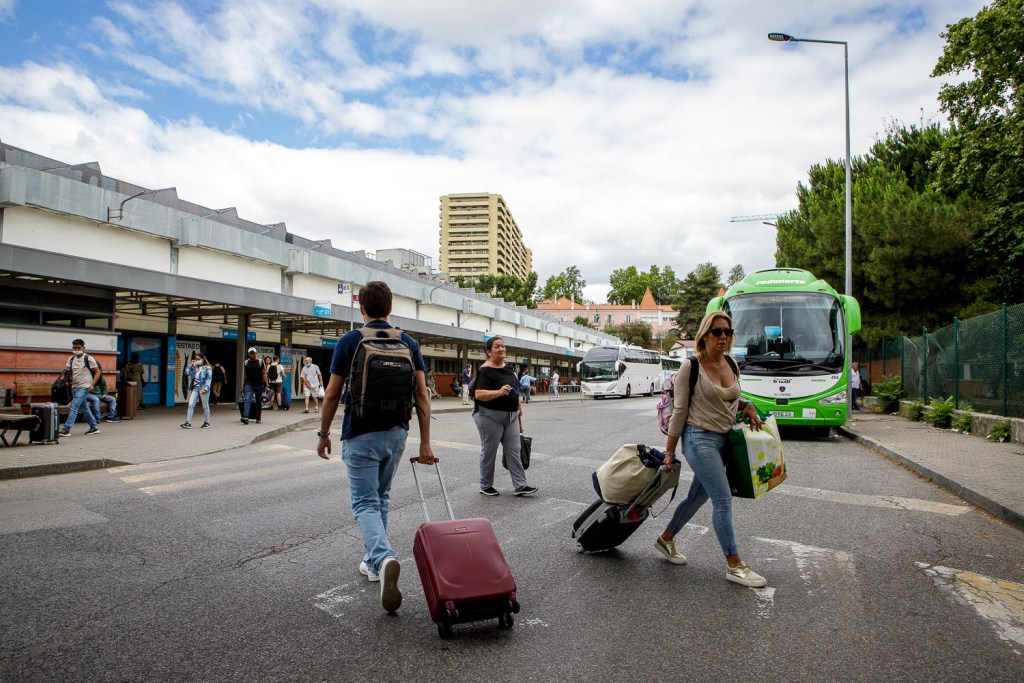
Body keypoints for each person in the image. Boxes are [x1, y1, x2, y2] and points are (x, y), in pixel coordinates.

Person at [316, 281, 435, 614]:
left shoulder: (351, 341)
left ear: (361, 308)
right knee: (380, 497)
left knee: (365, 502)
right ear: (391, 307)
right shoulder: (408, 341)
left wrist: (323, 433)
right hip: (397, 433)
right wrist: (425, 441)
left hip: (361, 432)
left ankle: (383, 559)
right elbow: (422, 395)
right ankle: (372, 563)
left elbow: (331, 394)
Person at [655, 311, 768, 588]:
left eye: (728, 332)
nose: (723, 337)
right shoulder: (690, 367)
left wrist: (747, 406)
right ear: (704, 335)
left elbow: (730, 399)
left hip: (723, 441)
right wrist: (669, 453)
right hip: (698, 439)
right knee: (722, 499)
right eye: (717, 332)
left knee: (697, 498)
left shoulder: (730, 363)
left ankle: (665, 539)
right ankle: (734, 564)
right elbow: (680, 411)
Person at [472, 336, 538, 498]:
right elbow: (479, 394)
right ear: (488, 351)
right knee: (489, 451)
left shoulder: (508, 368)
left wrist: (519, 412)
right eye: (497, 347)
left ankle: (520, 485)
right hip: (489, 416)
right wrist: (499, 392)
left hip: (512, 416)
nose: (501, 349)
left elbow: (515, 390)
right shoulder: (484, 371)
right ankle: (486, 485)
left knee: (514, 450)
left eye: (503, 346)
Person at [59, 339, 101, 436]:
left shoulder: (88, 358)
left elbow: (97, 372)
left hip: (85, 386)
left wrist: (92, 385)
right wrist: (67, 380)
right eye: (74, 348)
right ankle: (94, 427)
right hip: (75, 387)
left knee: (74, 406)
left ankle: (66, 429)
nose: (76, 349)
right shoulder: (71, 359)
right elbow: (69, 372)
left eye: (79, 348)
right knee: (84, 407)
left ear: (83, 348)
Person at [181, 352, 213, 429]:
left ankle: (207, 422)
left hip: (203, 388)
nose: (197, 360)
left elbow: (209, 379)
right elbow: (186, 373)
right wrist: (190, 365)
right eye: (196, 359)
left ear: (203, 359)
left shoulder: (207, 368)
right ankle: (188, 423)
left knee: (205, 406)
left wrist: (205, 389)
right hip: (195, 388)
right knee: (191, 404)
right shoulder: (194, 367)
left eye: (198, 359)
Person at [241, 347, 267, 425]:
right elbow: (245, 375)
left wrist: (266, 384)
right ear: (248, 354)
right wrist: (243, 386)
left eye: (253, 353)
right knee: (247, 400)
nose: (252, 354)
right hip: (249, 384)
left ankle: (258, 417)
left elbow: (264, 374)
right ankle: (246, 417)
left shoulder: (260, 362)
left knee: (258, 401)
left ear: (256, 353)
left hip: (259, 384)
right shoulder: (246, 363)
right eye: (251, 353)